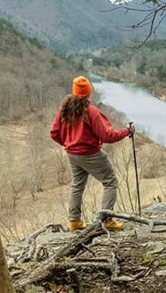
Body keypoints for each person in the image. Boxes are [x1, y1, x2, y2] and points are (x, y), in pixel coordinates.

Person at [49, 77, 134, 232]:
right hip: (90, 154)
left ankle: (74, 221)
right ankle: (106, 220)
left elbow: (54, 133)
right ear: (88, 92)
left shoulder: (65, 109)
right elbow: (107, 136)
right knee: (110, 182)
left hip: (72, 154)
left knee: (77, 186)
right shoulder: (91, 111)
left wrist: (69, 143)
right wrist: (127, 131)